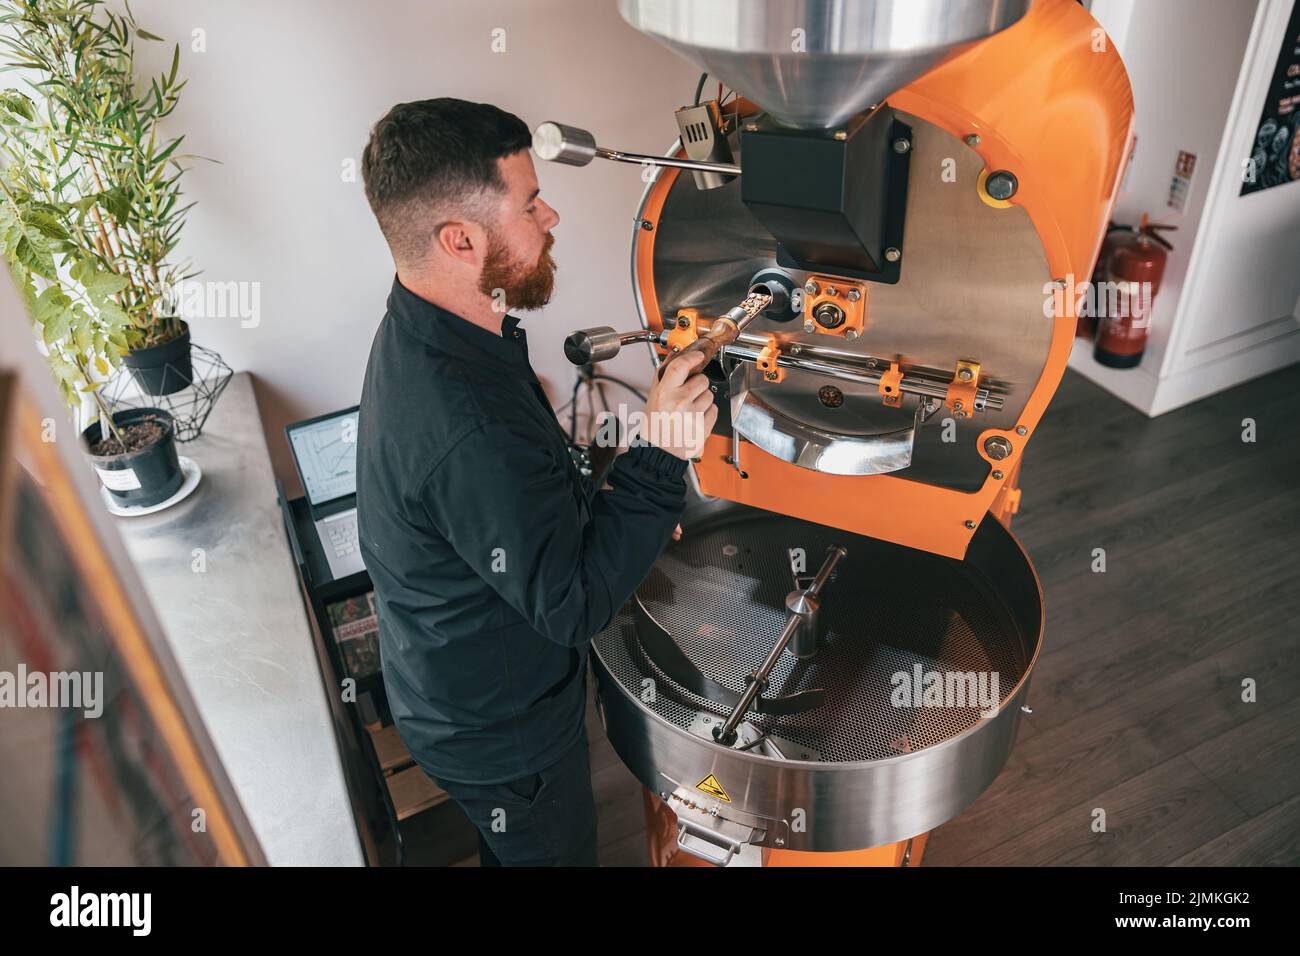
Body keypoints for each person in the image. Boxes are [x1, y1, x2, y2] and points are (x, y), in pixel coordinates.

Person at [355, 98, 717, 866]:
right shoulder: (465, 426)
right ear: (460, 240)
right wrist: (660, 455)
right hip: (502, 740)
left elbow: (525, 512)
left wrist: (620, 503)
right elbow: (573, 602)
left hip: (452, 694)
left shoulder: (444, 330)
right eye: (529, 203)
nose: (550, 215)